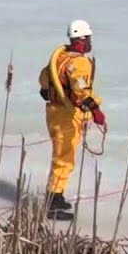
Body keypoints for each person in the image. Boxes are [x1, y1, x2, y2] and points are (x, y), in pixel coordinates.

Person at [37, 19, 108, 218]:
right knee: (64, 158)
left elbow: (43, 80)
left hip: (54, 112)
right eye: (88, 39)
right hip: (66, 116)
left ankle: (57, 195)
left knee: (63, 155)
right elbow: (80, 93)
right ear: (83, 40)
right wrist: (96, 112)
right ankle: (52, 204)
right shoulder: (79, 63)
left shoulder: (59, 58)